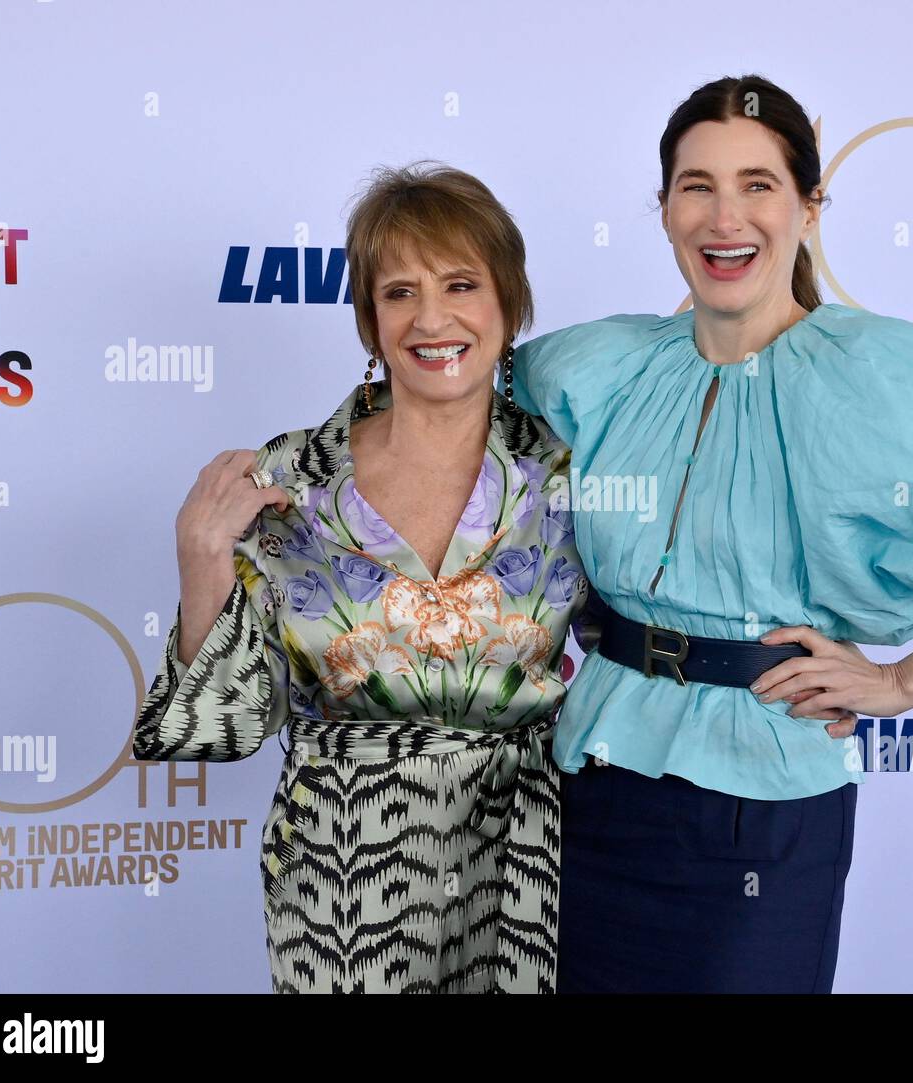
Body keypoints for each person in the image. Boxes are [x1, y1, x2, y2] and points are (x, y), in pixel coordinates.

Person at [512, 74, 913, 993]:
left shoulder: (879, 374)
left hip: (765, 808)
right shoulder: (592, 368)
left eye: (758, 184)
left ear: (809, 206)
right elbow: (441, 436)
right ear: (665, 209)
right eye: (698, 186)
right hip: (587, 790)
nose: (727, 217)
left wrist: (904, 678)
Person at [134, 163, 588, 993]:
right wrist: (201, 558)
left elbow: (648, 632)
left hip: (526, 864)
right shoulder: (292, 475)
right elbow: (221, 729)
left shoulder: (565, 473)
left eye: (461, 283)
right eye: (400, 292)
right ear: (369, 320)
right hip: (343, 876)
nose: (433, 318)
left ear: (509, 305)